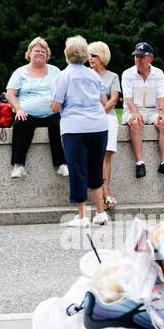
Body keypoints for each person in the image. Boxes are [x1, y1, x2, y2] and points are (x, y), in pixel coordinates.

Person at [50, 36, 109, 228]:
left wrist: (52, 104)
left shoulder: (62, 76)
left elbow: (55, 105)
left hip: (74, 129)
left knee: (78, 170)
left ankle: (82, 216)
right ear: (84, 54)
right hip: (99, 127)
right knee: (95, 168)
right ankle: (100, 213)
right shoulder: (94, 75)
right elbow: (103, 101)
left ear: (67, 53)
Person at [5, 37, 68, 179]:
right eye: (36, 51)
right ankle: (18, 165)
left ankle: (62, 164)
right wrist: (18, 109)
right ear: (29, 53)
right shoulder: (19, 72)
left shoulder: (55, 71)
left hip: (51, 112)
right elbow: (10, 94)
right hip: (27, 113)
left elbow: (63, 91)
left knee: (60, 124)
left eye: (43, 51)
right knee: (21, 124)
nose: (40, 53)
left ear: (47, 54)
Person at [122, 42, 164, 180]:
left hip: (153, 110)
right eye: (136, 56)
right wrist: (135, 112)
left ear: (150, 58)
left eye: (141, 56)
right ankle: (140, 163)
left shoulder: (159, 73)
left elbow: (161, 95)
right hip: (133, 109)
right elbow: (127, 98)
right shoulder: (127, 74)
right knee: (135, 123)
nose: (138, 59)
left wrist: (162, 111)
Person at [88, 41, 120, 206]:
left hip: (107, 117)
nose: (90, 58)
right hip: (88, 118)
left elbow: (113, 99)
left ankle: (104, 194)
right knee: (95, 155)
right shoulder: (85, 74)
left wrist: (100, 113)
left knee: (106, 155)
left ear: (102, 56)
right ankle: (105, 195)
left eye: (94, 55)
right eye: (89, 55)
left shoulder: (113, 76)